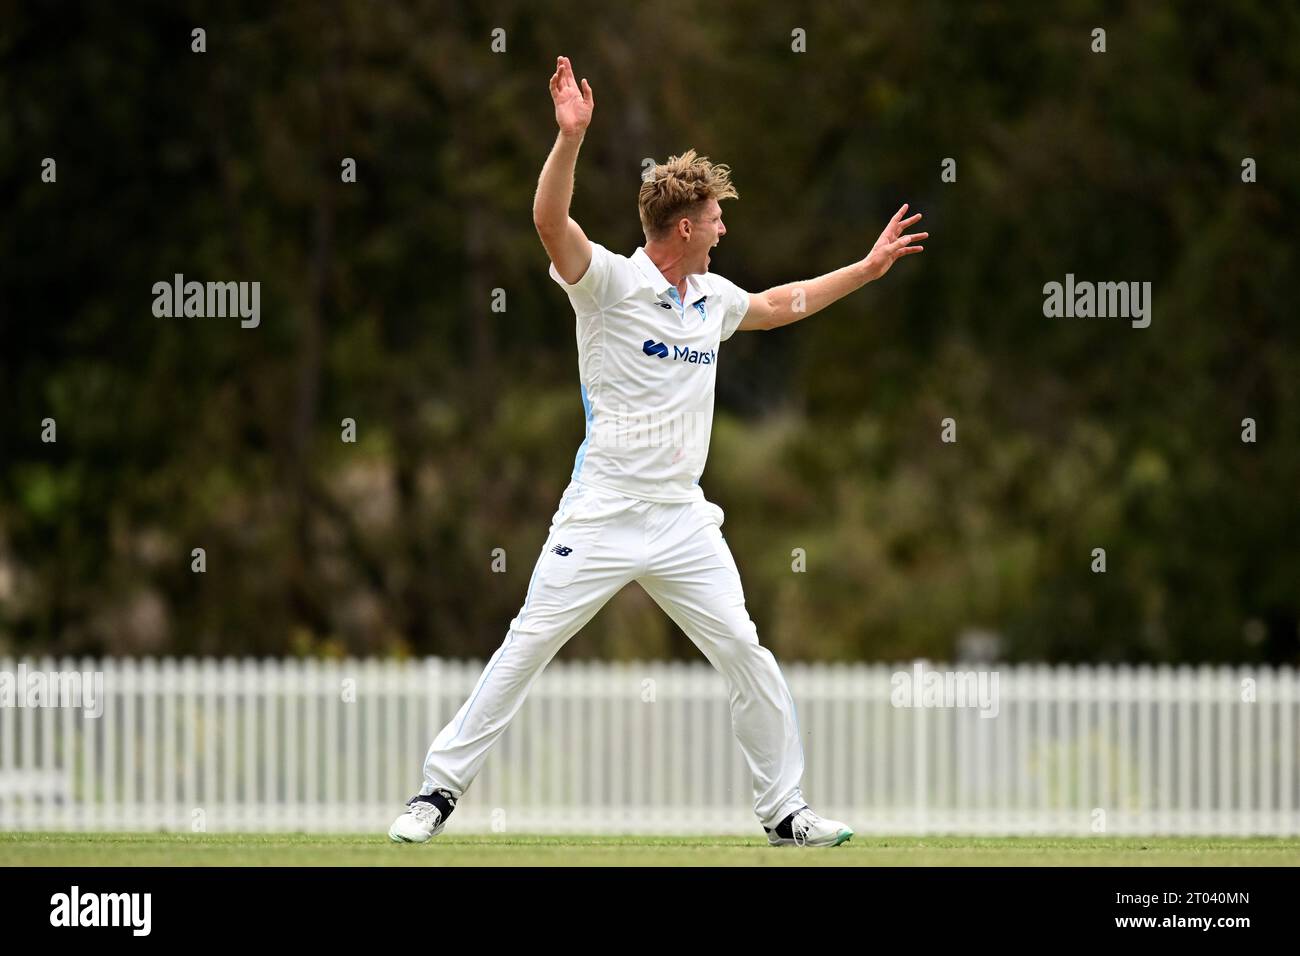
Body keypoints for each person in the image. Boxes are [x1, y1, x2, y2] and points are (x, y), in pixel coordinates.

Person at [390, 55, 926, 848]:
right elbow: (548, 223)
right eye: (714, 220)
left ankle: (784, 812)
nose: (723, 230)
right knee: (529, 642)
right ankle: (436, 794)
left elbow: (780, 305)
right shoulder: (606, 282)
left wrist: (868, 268)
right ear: (684, 226)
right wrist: (569, 137)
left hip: (681, 520)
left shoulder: (711, 298)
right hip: (602, 509)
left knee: (745, 652)